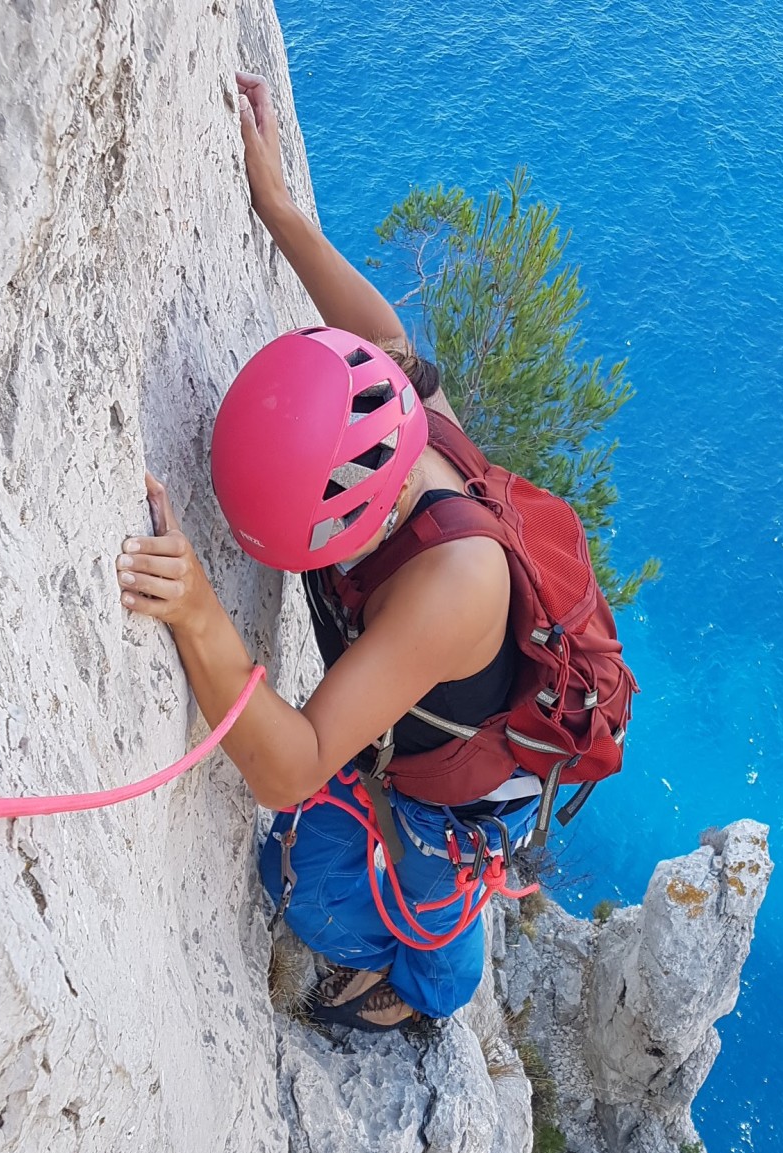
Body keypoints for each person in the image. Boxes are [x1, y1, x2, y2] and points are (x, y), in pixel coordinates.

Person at [115, 72, 537, 1033]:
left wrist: (198, 613)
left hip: (458, 794)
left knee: (311, 886)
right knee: (321, 850)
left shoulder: (452, 585)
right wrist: (278, 212)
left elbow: (291, 769)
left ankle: (431, 989)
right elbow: (380, 333)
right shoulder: (401, 414)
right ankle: (432, 947)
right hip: (415, 713)